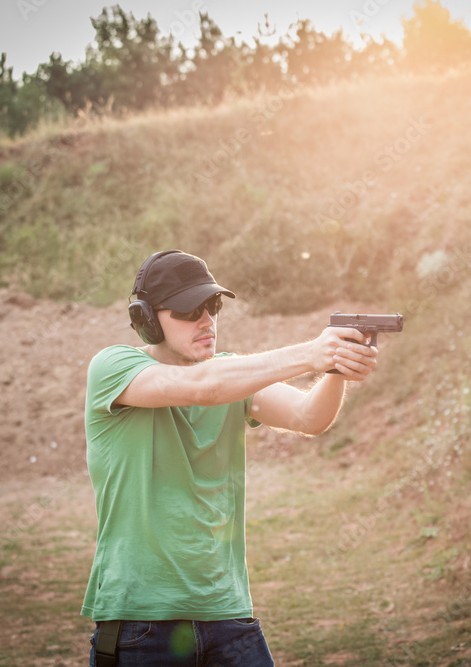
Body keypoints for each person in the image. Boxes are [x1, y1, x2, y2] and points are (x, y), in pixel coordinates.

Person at [82, 249, 379, 666]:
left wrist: (335, 368)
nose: (206, 321)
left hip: (227, 614)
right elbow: (203, 386)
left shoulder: (230, 374)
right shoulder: (113, 367)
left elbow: (308, 417)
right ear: (147, 320)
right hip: (141, 621)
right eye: (189, 311)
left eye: (212, 306)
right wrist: (311, 352)